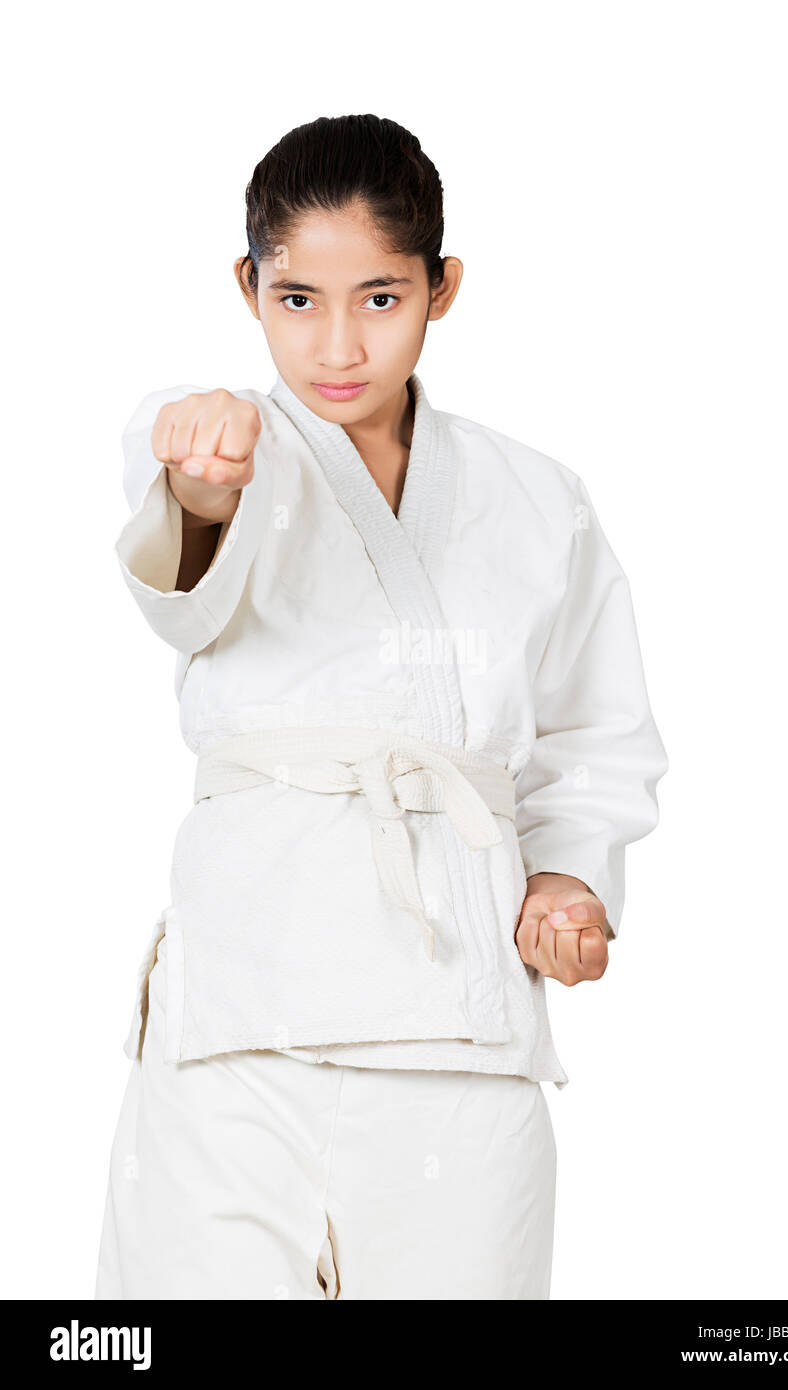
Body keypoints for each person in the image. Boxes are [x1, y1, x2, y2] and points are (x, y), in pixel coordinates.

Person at [94, 113, 668, 1301]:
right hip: (238, 1025)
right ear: (247, 287)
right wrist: (198, 487)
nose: (337, 343)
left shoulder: (534, 496)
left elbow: (591, 732)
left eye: (379, 297)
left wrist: (567, 875)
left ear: (440, 290)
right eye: (296, 299)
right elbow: (184, 587)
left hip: (459, 1022)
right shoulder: (216, 441)